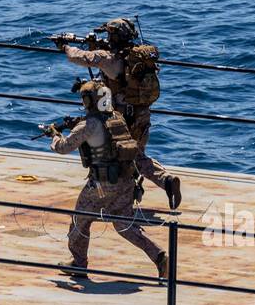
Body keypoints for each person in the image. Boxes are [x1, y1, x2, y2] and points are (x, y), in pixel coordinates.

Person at [45, 79, 169, 280]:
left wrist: (54, 135)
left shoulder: (88, 125)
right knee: (124, 226)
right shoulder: (117, 118)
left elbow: (63, 147)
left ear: (88, 101)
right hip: (126, 181)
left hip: (101, 185)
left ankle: (78, 263)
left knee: (80, 220)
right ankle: (159, 256)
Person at [55, 17, 182, 210]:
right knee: (137, 155)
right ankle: (164, 181)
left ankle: (123, 198)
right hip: (142, 114)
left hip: (123, 119)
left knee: (123, 157)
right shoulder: (138, 58)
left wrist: (65, 47)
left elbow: (79, 57)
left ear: (114, 37)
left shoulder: (109, 58)